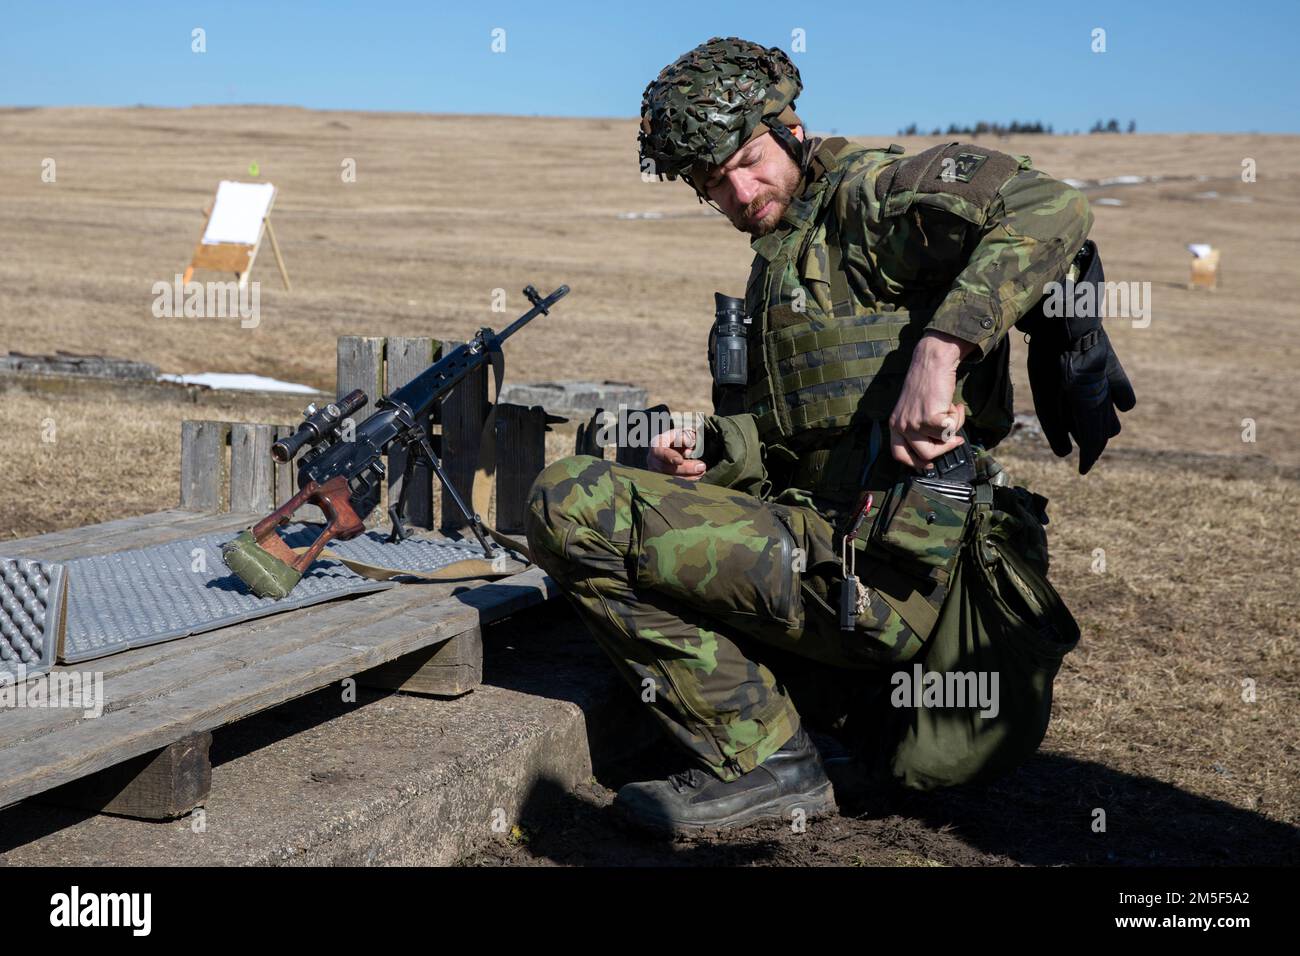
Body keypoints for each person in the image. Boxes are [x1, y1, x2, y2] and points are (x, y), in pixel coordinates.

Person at [525, 36, 1134, 835]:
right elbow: (800, 437)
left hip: (890, 575)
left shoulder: (869, 196)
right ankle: (798, 728)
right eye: (715, 184)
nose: (740, 192)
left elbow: (1053, 206)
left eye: (748, 159)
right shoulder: (782, 256)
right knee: (610, 471)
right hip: (832, 552)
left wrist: (941, 348)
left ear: (790, 127)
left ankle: (767, 763)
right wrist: (711, 447)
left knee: (569, 502)